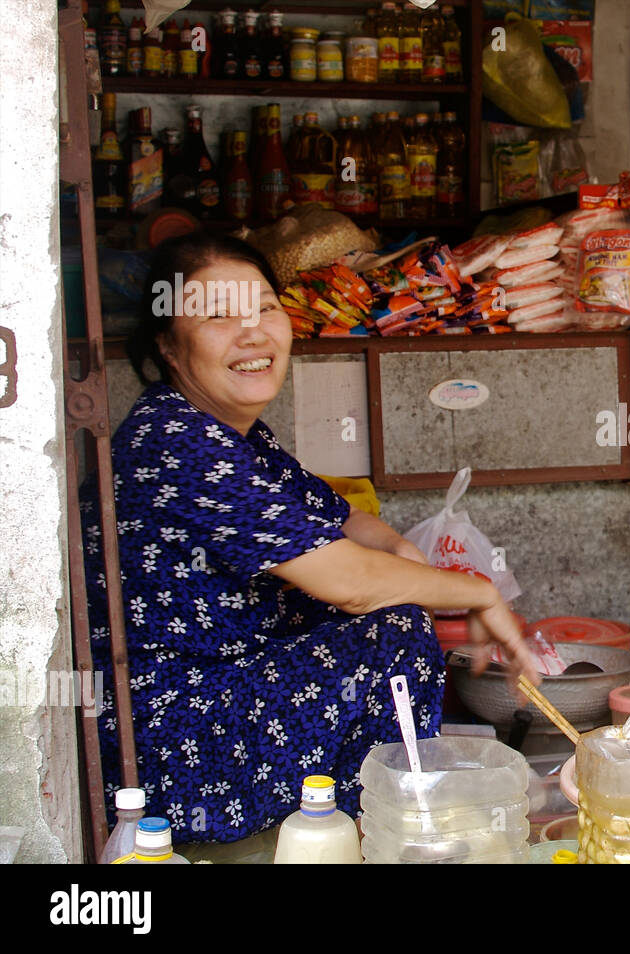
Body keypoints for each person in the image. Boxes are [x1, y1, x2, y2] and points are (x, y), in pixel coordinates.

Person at [83, 232, 537, 844]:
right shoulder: (176, 440)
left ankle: (361, 823)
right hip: (170, 738)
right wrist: (475, 592)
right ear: (169, 344)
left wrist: (402, 556)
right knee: (392, 629)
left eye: (265, 308)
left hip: (214, 697)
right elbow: (349, 583)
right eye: (217, 316)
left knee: (392, 602)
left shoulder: (234, 436)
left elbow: (344, 520)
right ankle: (378, 832)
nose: (252, 333)